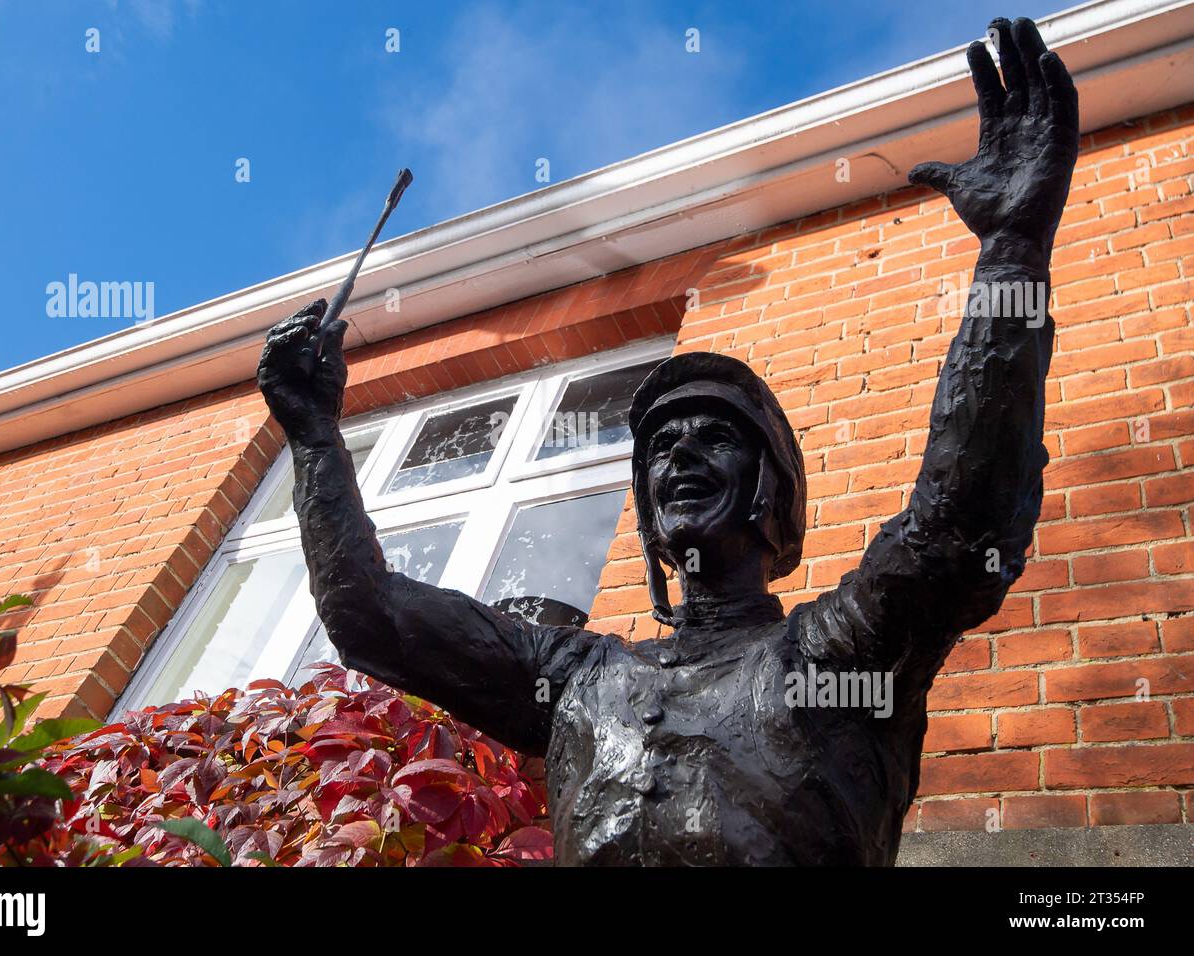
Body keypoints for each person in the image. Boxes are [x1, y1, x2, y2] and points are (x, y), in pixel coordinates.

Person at [257, 16, 1078, 865]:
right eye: (659, 446)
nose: (678, 454)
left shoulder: (840, 658)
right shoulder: (574, 682)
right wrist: (314, 436)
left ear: (772, 494)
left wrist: (1013, 253)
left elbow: (959, 526)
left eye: (714, 437)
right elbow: (369, 615)